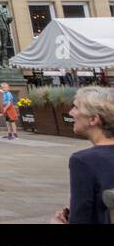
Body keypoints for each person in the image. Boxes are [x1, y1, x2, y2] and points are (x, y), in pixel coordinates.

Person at [51, 86, 114, 225]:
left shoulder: (83, 161)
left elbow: (80, 219)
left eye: (76, 107)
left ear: (93, 119)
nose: (70, 112)